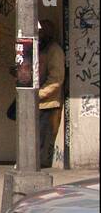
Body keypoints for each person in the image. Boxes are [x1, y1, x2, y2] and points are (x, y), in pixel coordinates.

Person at [38, 19, 65, 169]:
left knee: (41, 135)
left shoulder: (53, 50)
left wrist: (39, 94)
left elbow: (56, 78)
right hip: (39, 100)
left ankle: (39, 163)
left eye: (41, 32)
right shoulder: (41, 50)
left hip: (47, 102)